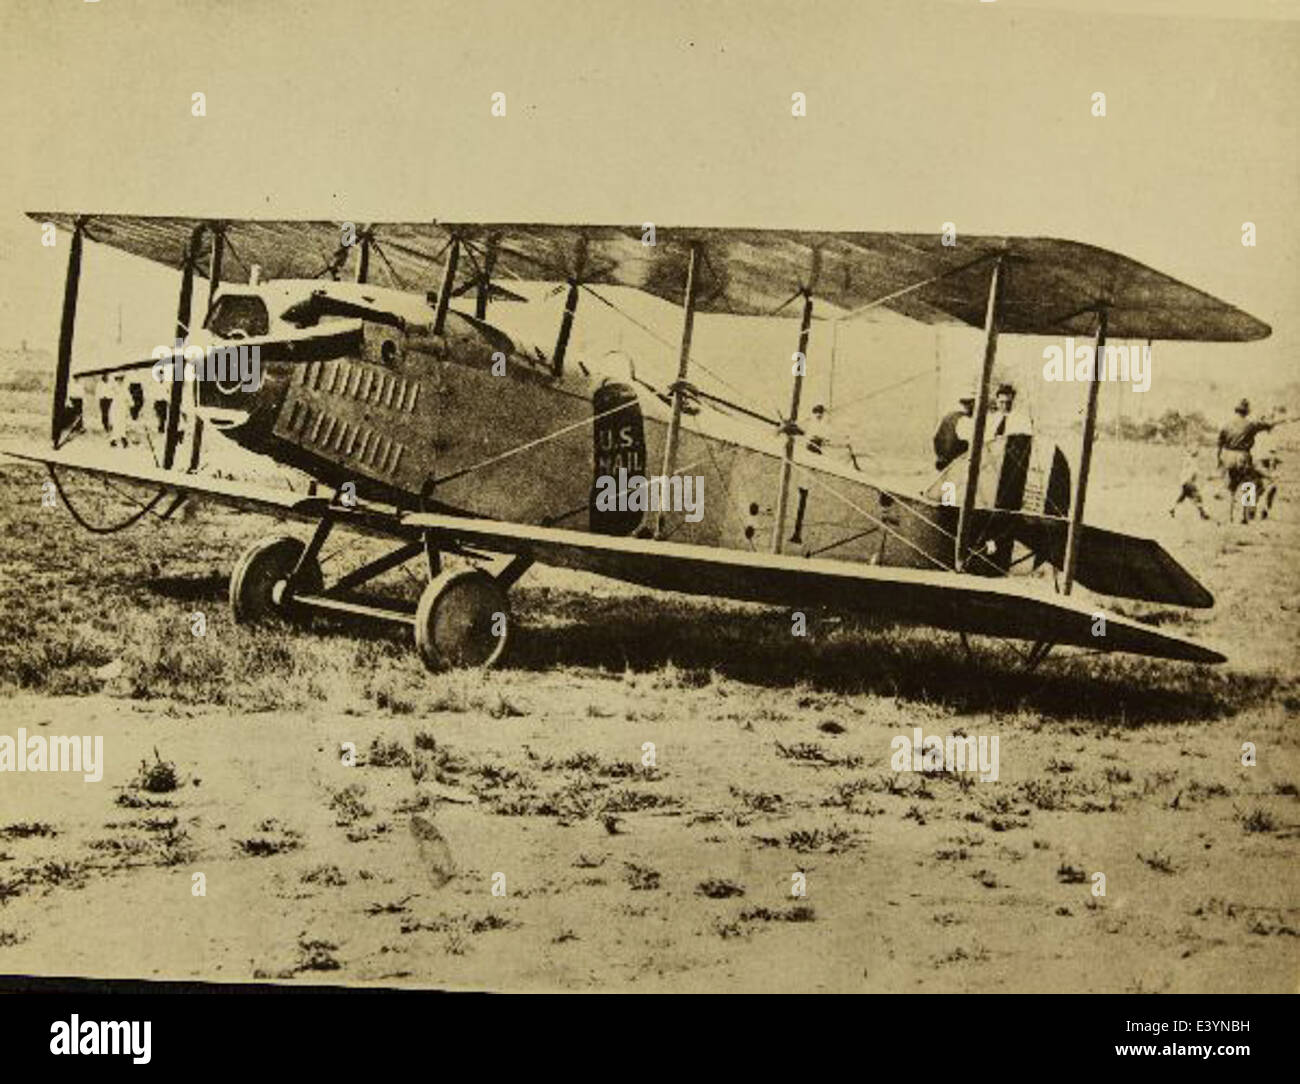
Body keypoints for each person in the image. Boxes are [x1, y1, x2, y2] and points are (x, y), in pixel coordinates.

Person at [1218, 397, 1274, 522]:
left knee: (1231, 487)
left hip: (1228, 456)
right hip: (1242, 457)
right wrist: (1271, 424)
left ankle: (1229, 516)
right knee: (1249, 484)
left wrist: (1219, 461)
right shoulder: (1250, 425)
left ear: (1236, 410)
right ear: (1246, 411)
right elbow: (1265, 425)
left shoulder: (1226, 424)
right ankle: (1244, 516)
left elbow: (1219, 443)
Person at [933, 395, 974, 471]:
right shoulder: (963, 419)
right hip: (955, 462)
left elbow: (936, 438)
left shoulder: (950, 416)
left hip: (946, 459)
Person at [1169, 445, 1210, 520]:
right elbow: (1197, 473)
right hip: (1188, 482)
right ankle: (1203, 514)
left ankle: (1172, 509)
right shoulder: (1193, 462)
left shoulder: (1186, 460)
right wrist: (1207, 477)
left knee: (1182, 497)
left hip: (1183, 482)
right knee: (1198, 497)